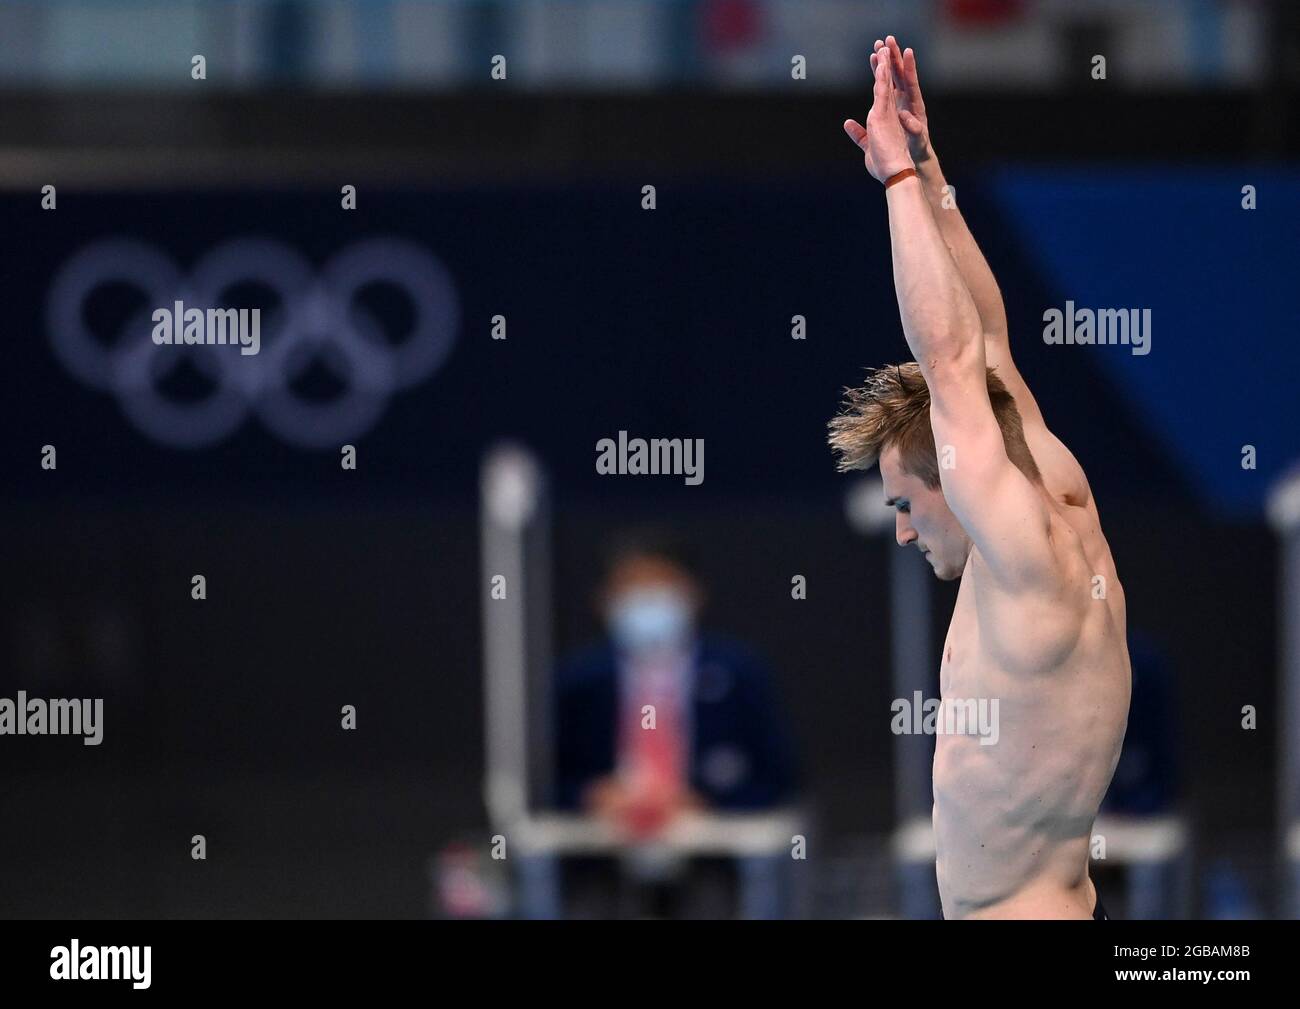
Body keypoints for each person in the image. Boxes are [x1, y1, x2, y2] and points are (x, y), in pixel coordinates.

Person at [830, 36, 1131, 919]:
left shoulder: (1022, 550)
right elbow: (989, 344)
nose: (902, 530)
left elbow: (955, 354)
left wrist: (894, 186)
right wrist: (930, 173)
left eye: (904, 503)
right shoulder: (1054, 491)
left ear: (955, 476)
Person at [552, 531, 797, 917]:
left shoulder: (738, 673)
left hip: (712, 863)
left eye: (660, 583)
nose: (648, 597)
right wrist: (592, 795)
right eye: (633, 585)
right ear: (604, 600)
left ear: (693, 592)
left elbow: (780, 777)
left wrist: (708, 802)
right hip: (602, 862)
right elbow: (549, 780)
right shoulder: (579, 681)